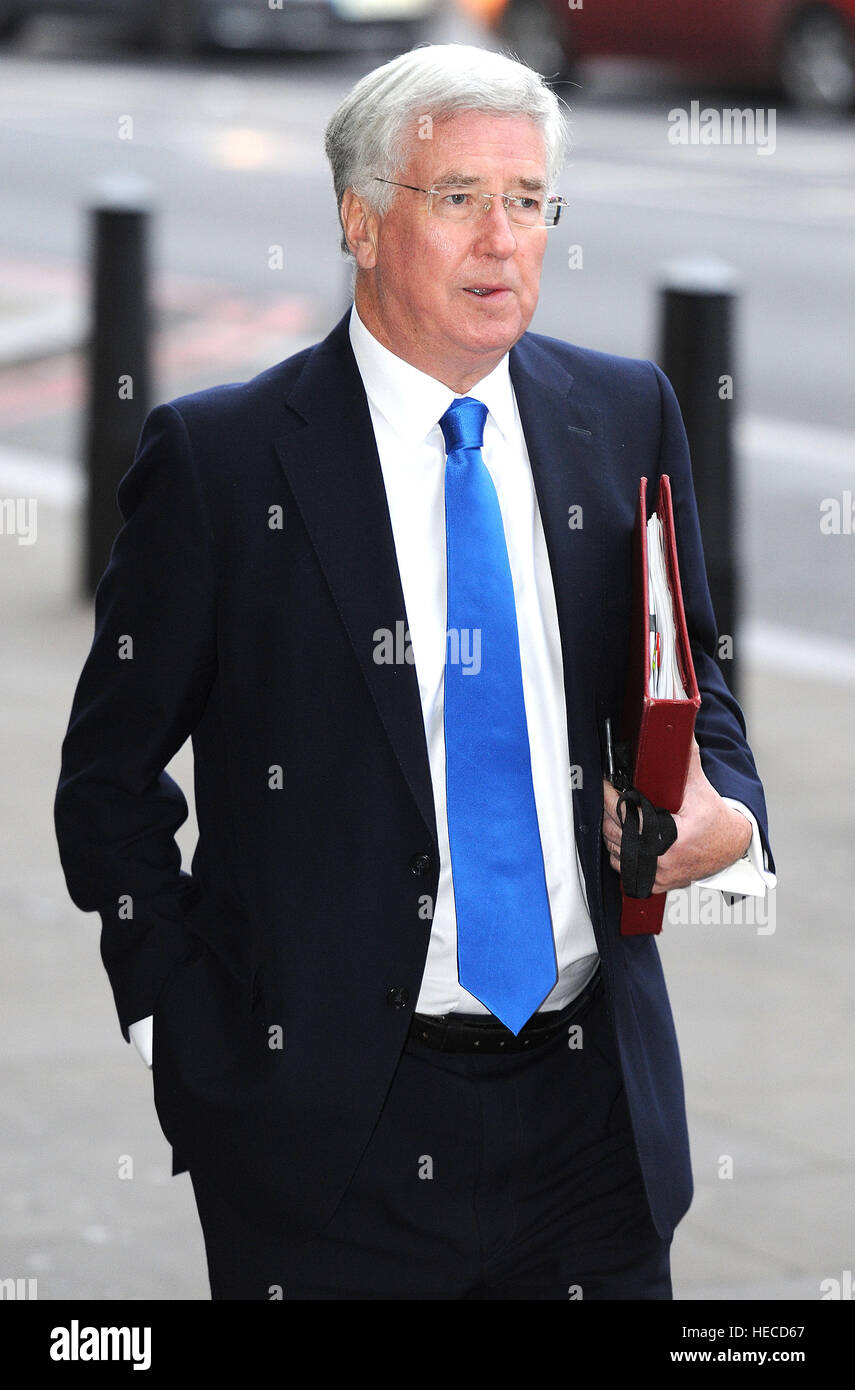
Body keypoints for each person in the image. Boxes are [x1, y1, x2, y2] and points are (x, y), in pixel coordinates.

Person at [54, 43, 775, 1300]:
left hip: (592, 1119)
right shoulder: (222, 465)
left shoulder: (624, 414)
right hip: (331, 1139)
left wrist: (727, 811)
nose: (505, 239)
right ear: (361, 220)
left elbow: (697, 676)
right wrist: (184, 1025)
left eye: (530, 201)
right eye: (460, 199)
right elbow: (105, 783)